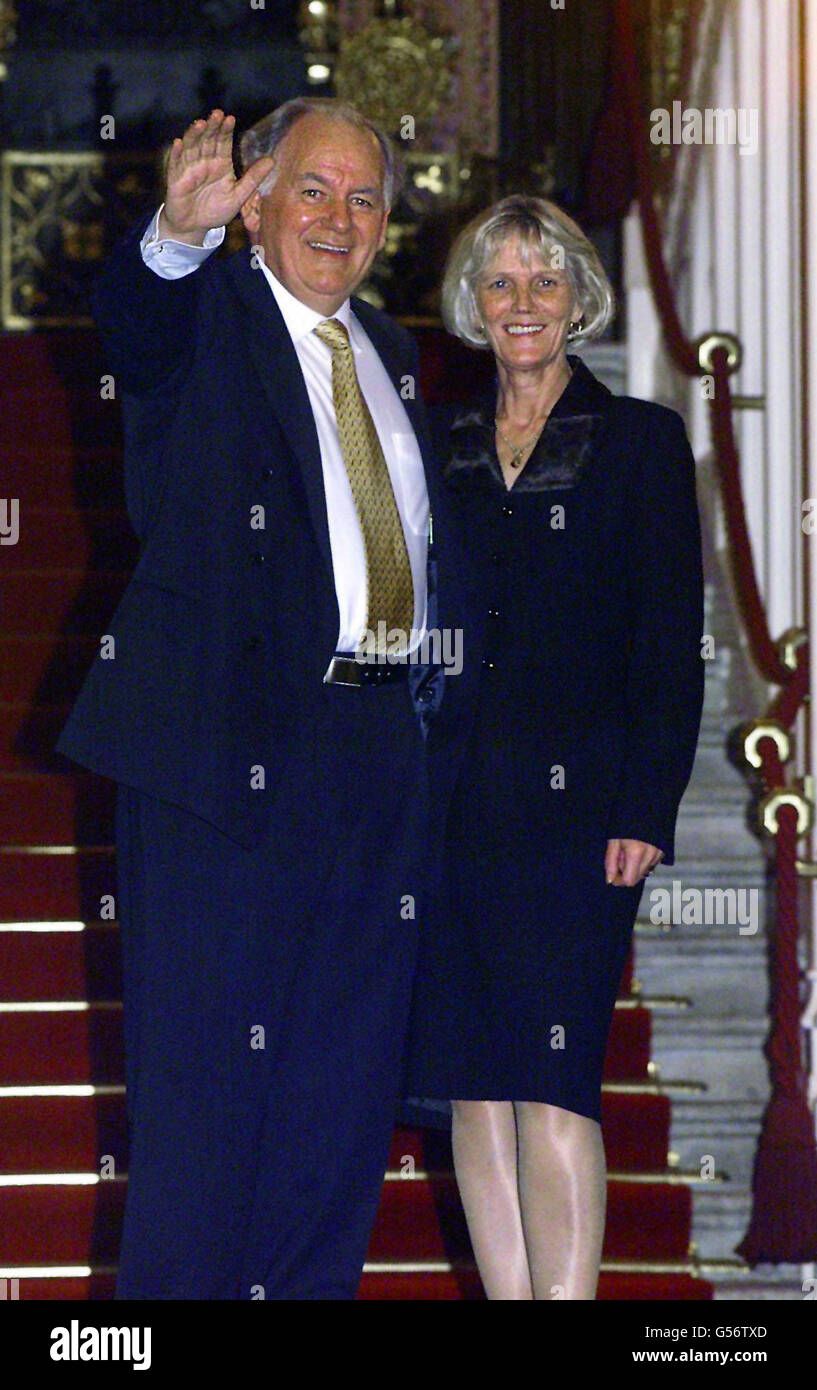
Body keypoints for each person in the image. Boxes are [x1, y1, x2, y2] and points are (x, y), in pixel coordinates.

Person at [56, 97, 441, 1299]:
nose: (340, 217)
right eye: (313, 189)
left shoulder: (395, 350)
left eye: (365, 197)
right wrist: (174, 235)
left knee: (337, 1101)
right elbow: (138, 322)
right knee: (206, 1103)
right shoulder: (210, 313)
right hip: (229, 758)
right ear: (257, 201)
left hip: (378, 756)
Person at [402, 195, 705, 1300]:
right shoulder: (438, 444)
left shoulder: (639, 441)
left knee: (556, 1076)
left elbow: (672, 649)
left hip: (580, 821)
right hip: (454, 809)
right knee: (477, 1082)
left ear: (579, 297)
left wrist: (645, 807)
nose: (521, 302)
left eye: (542, 281)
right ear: (471, 306)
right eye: (499, 282)